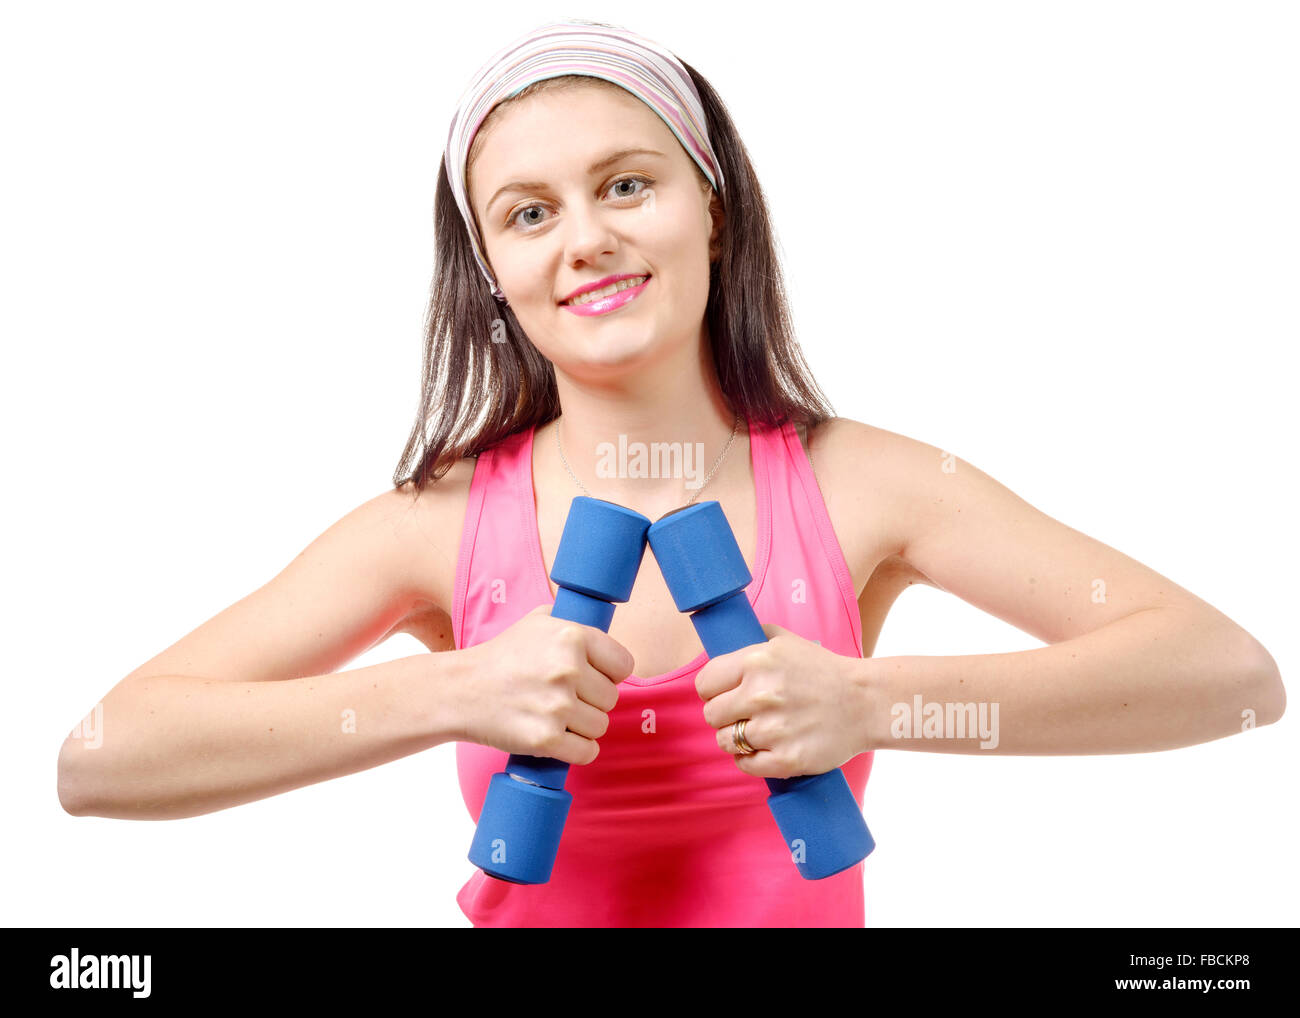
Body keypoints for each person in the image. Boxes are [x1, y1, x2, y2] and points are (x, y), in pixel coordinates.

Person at [57, 18, 1285, 928]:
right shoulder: (432, 528)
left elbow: (1225, 675)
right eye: (526, 213)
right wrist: (452, 693)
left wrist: (873, 702)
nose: (585, 237)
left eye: (625, 184)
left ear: (712, 206)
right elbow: (103, 758)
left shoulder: (868, 486)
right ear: (490, 269)